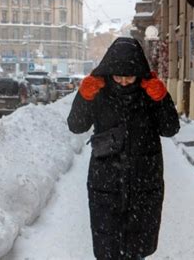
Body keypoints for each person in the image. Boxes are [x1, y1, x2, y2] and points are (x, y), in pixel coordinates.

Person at [67, 37, 180, 260]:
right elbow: (76, 125)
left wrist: (161, 98)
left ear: (139, 73)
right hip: (106, 184)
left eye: (129, 76)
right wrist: (84, 96)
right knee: (108, 248)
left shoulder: (148, 95)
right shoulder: (100, 93)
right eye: (118, 76)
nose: (124, 82)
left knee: (137, 249)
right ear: (109, 73)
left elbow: (170, 128)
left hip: (143, 185)